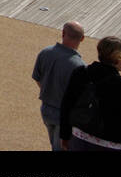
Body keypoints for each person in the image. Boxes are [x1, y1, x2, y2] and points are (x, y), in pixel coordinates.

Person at [59, 36, 121, 152]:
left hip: (79, 139)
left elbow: (67, 105)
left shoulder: (80, 72)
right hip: (109, 145)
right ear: (117, 58)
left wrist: (65, 135)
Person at [33, 21, 86, 150]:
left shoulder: (45, 52)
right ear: (82, 39)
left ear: (63, 33)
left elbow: (37, 78)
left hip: (46, 109)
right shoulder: (79, 66)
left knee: (55, 145)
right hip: (64, 116)